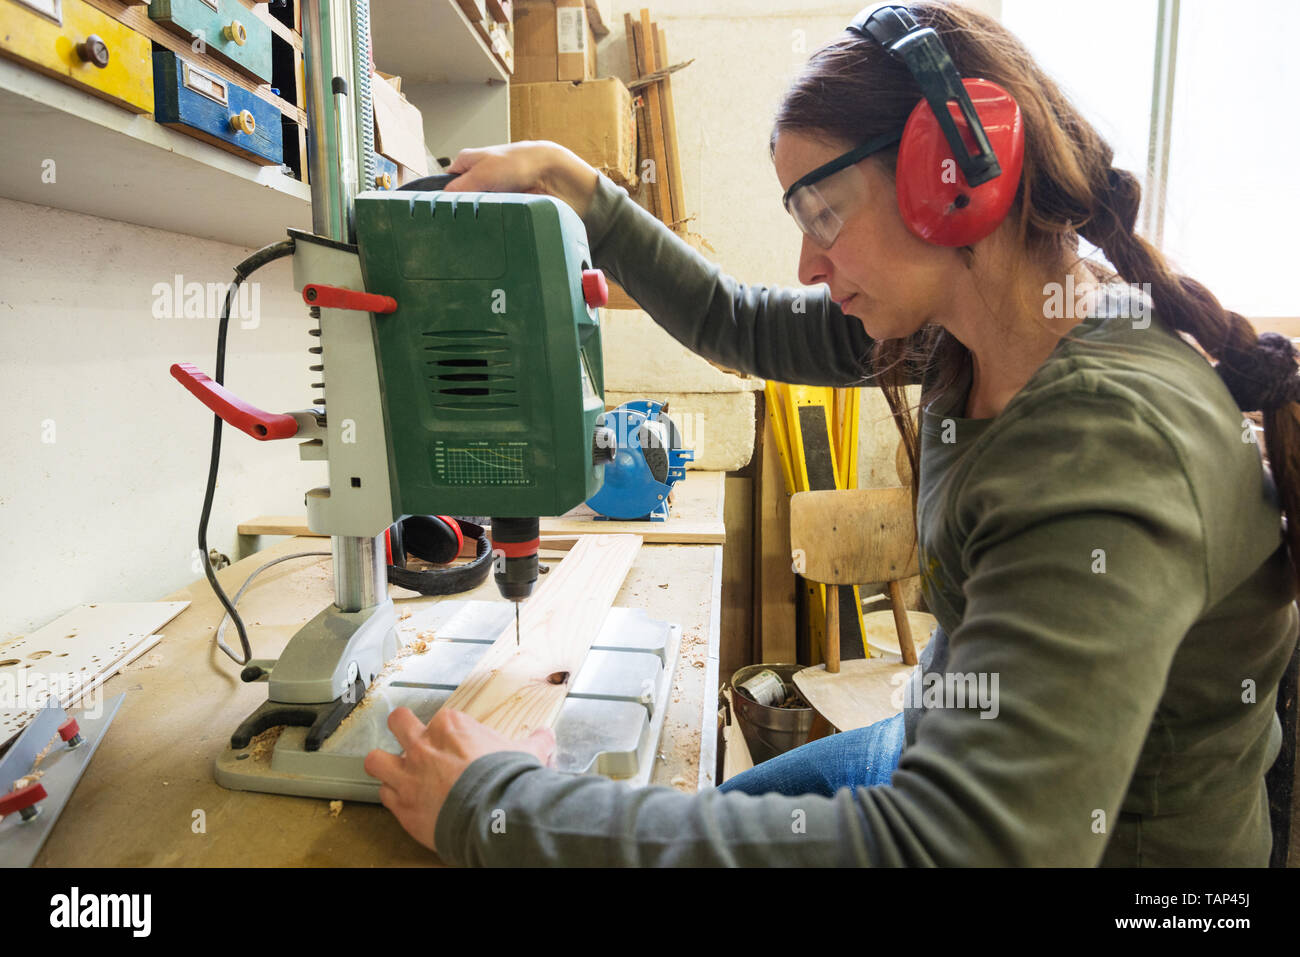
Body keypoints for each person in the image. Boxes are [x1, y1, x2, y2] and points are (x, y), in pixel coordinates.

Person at [363, 1, 1300, 866]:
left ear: (952, 174)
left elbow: (947, 848)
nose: (809, 263)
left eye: (823, 215)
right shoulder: (964, 330)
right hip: (935, 740)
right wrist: (583, 191)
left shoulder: (1106, 441)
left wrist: (499, 805)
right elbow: (743, 319)